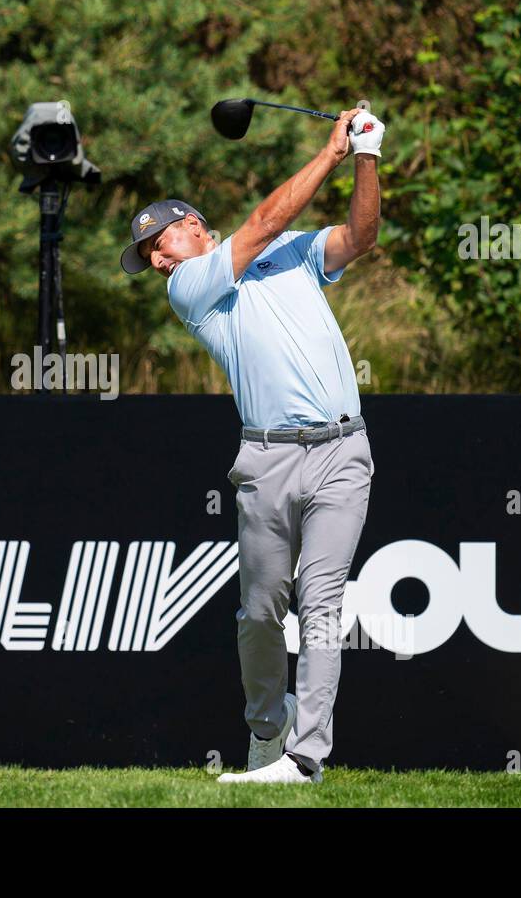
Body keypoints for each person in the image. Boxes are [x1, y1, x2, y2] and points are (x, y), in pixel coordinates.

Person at [118, 107, 386, 784]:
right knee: (262, 608)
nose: (155, 257)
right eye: (150, 253)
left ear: (192, 226)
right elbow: (262, 221)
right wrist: (329, 151)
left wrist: (366, 157)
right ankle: (269, 730)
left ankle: (307, 756)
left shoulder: (290, 252)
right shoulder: (191, 287)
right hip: (266, 462)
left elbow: (360, 237)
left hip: (342, 453)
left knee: (323, 602)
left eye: (160, 239)